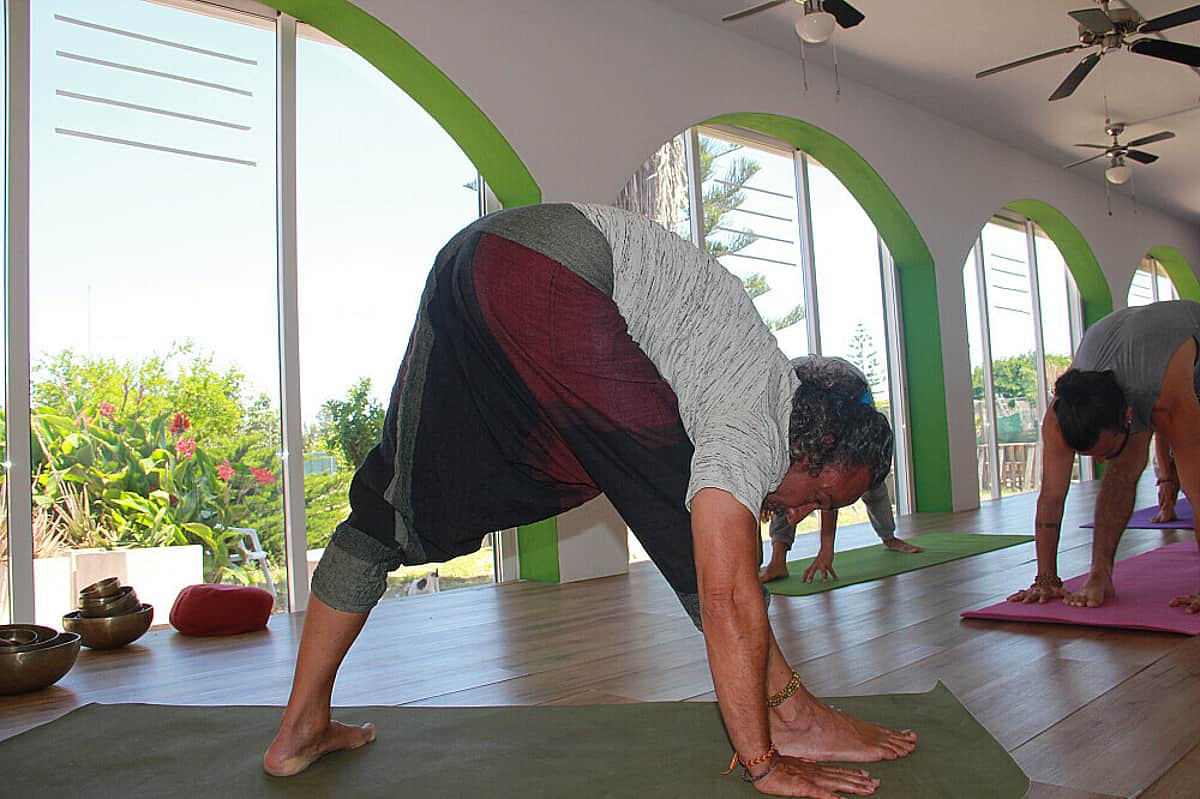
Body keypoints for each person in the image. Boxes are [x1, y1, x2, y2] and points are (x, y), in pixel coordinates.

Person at [264, 203, 916, 795]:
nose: (800, 513)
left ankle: (300, 728)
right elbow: (721, 591)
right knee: (694, 521)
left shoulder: (743, 375)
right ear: (818, 440)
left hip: (470, 257)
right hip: (547, 272)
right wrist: (762, 763)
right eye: (821, 496)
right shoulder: (752, 416)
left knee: (389, 507)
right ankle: (791, 719)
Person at [1007, 299, 1200, 612]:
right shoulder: (1061, 416)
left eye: (1106, 450)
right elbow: (1051, 497)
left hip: (1183, 342)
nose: (1100, 462)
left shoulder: (1169, 400)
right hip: (1134, 348)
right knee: (1121, 471)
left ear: (1128, 415)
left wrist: (1168, 478)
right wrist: (1046, 577)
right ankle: (1101, 574)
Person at [759, 356, 922, 585]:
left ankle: (888, 536)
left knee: (870, 486)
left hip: (846, 407)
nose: (797, 516)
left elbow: (830, 491)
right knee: (791, 493)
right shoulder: (777, 412)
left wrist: (826, 550)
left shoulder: (850, 420)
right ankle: (778, 559)